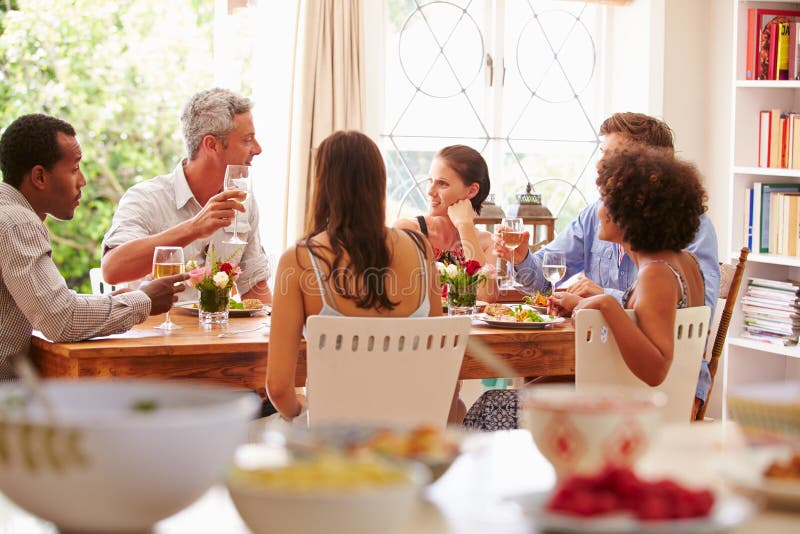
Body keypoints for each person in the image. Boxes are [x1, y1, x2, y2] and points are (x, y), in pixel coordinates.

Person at [266, 130, 444, 421]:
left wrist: (305, 413)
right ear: (379, 184)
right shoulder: (420, 248)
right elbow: (435, 358)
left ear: (323, 186)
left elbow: (278, 388)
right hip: (408, 441)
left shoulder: (298, 260)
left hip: (332, 447)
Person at [0, 114, 188, 379]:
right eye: (74, 168)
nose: (83, 181)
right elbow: (60, 320)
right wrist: (144, 300)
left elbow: (53, 304)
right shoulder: (17, 223)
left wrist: (114, 302)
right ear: (40, 177)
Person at [497, 113, 720, 316]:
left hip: (644, 357)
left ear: (645, 169)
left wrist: (605, 298)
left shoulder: (691, 228)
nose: (599, 165)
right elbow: (544, 285)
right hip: (599, 348)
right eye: (602, 153)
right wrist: (521, 258)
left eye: (612, 156)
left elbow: (699, 314)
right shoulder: (596, 216)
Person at [550, 147, 707, 387]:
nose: (599, 210)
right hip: (649, 405)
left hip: (626, 413)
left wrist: (607, 303)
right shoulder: (685, 261)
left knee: (491, 406)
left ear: (629, 211)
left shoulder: (656, 274)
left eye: (605, 200)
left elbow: (656, 370)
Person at [101, 87, 272, 303]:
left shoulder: (242, 202)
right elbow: (112, 270)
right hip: (153, 334)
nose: (258, 149)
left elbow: (255, 290)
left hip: (215, 336)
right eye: (247, 140)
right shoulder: (145, 198)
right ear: (212, 145)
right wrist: (193, 228)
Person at [394, 145, 498, 302]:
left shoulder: (487, 243)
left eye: (442, 183)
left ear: (471, 191)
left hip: (466, 327)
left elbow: (485, 297)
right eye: (431, 181)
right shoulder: (408, 231)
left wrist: (465, 226)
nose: (430, 191)